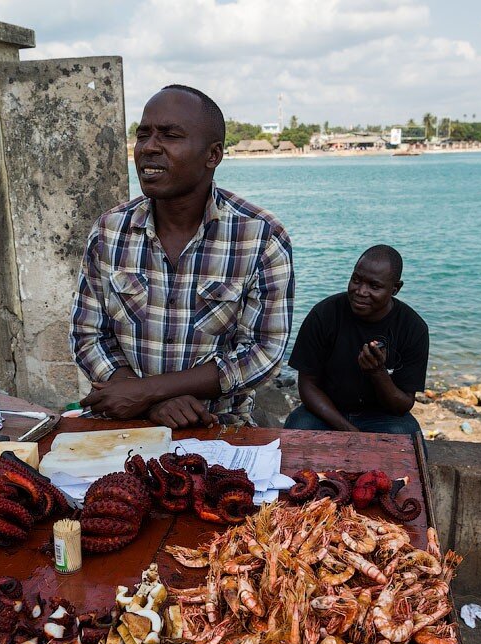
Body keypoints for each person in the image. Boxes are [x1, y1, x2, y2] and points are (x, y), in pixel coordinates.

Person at [70, 85, 294, 427]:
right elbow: (88, 333)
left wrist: (147, 391)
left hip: (217, 426)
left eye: (170, 135)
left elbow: (263, 352)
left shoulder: (260, 237)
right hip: (122, 421)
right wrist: (143, 400)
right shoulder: (110, 231)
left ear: (213, 155)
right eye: (143, 134)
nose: (148, 147)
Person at [284, 246, 428, 434]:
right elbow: (307, 385)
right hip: (327, 411)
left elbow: (402, 405)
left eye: (374, 286)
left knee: (407, 441)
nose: (360, 291)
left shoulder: (413, 328)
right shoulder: (325, 314)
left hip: (383, 417)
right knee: (297, 430)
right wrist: (348, 430)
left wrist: (378, 372)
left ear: (395, 289)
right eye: (356, 280)